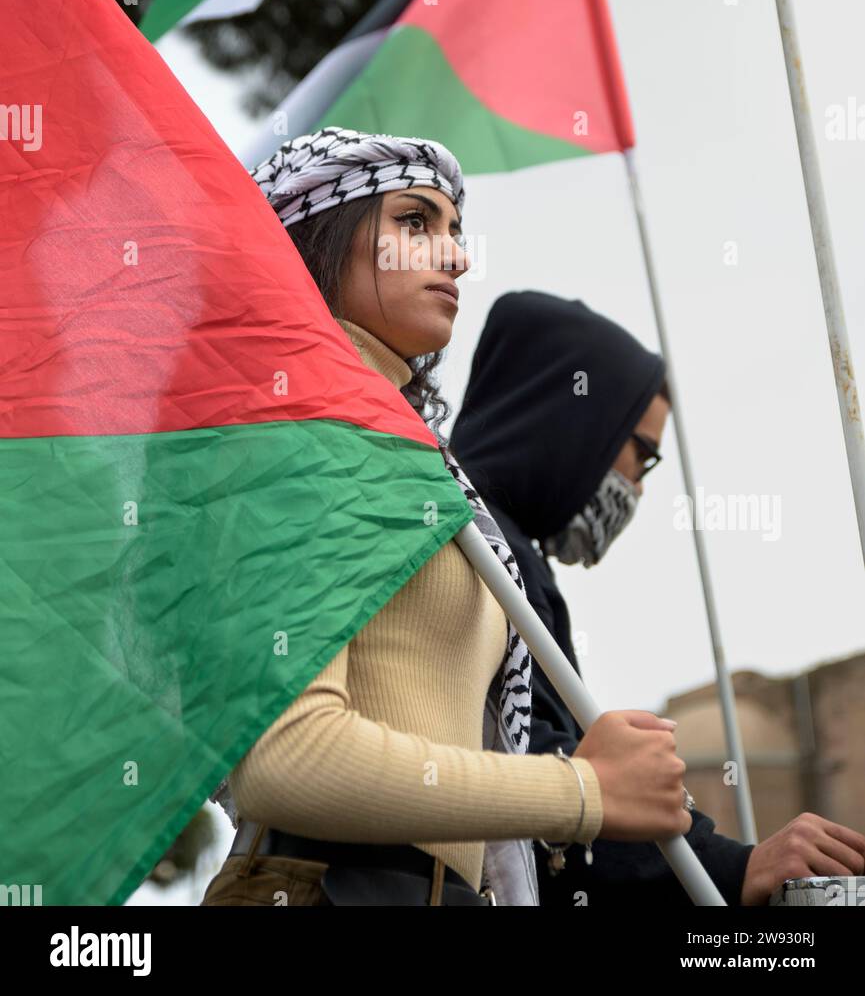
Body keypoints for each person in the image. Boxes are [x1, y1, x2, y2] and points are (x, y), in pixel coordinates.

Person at [201, 128, 692, 908]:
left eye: (456, 230)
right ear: (320, 236)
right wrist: (583, 792)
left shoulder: (400, 454)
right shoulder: (303, 437)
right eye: (415, 222)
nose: (457, 256)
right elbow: (287, 760)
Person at [450, 289, 865, 906]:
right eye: (640, 455)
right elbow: (549, 788)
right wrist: (735, 866)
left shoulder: (512, 556)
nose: (637, 489)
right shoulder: (472, 550)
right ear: (575, 422)